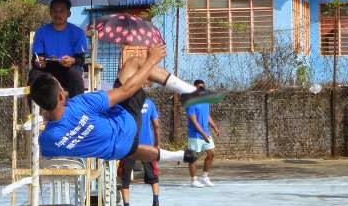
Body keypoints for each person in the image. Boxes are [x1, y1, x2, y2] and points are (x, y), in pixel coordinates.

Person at [31, 44, 220, 166]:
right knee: (134, 63)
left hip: (119, 150)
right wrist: (153, 59)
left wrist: (50, 120)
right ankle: (188, 91)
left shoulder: (47, 141)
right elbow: (127, 90)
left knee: (131, 150)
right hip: (126, 119)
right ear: (62, 96)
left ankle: (179, 156)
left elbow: (49, 151)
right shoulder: (80, 104)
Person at [31, 0, 89, 99]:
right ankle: (34, 112)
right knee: (34, 74)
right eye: (54, 11)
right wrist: (38, 62)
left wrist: (73, 60)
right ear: (50, 13)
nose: (57, 14)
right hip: (47, 70)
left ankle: (77, 110)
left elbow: (81, 59)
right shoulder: (41, 32)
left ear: (69, 14)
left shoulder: (78, 33)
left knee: (75, 73)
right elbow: (36, 57)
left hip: (68, 70)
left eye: (61, 11)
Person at [119, 96, 161, 206]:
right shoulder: (150, 104)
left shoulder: (125, 104)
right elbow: (156, 126)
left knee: (124, 178)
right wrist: (157, 144)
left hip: (129, 145)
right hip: (147, 145)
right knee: (153, 175)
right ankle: (156, 202)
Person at [187, 80, 220, 188]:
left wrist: (214, 126)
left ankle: (204, 177)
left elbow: (207, 115)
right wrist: (203, 134)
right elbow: (193, 121)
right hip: (195, 135)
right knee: (193, 157)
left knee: (211, 154)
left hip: (206, 133)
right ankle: (193, 180)